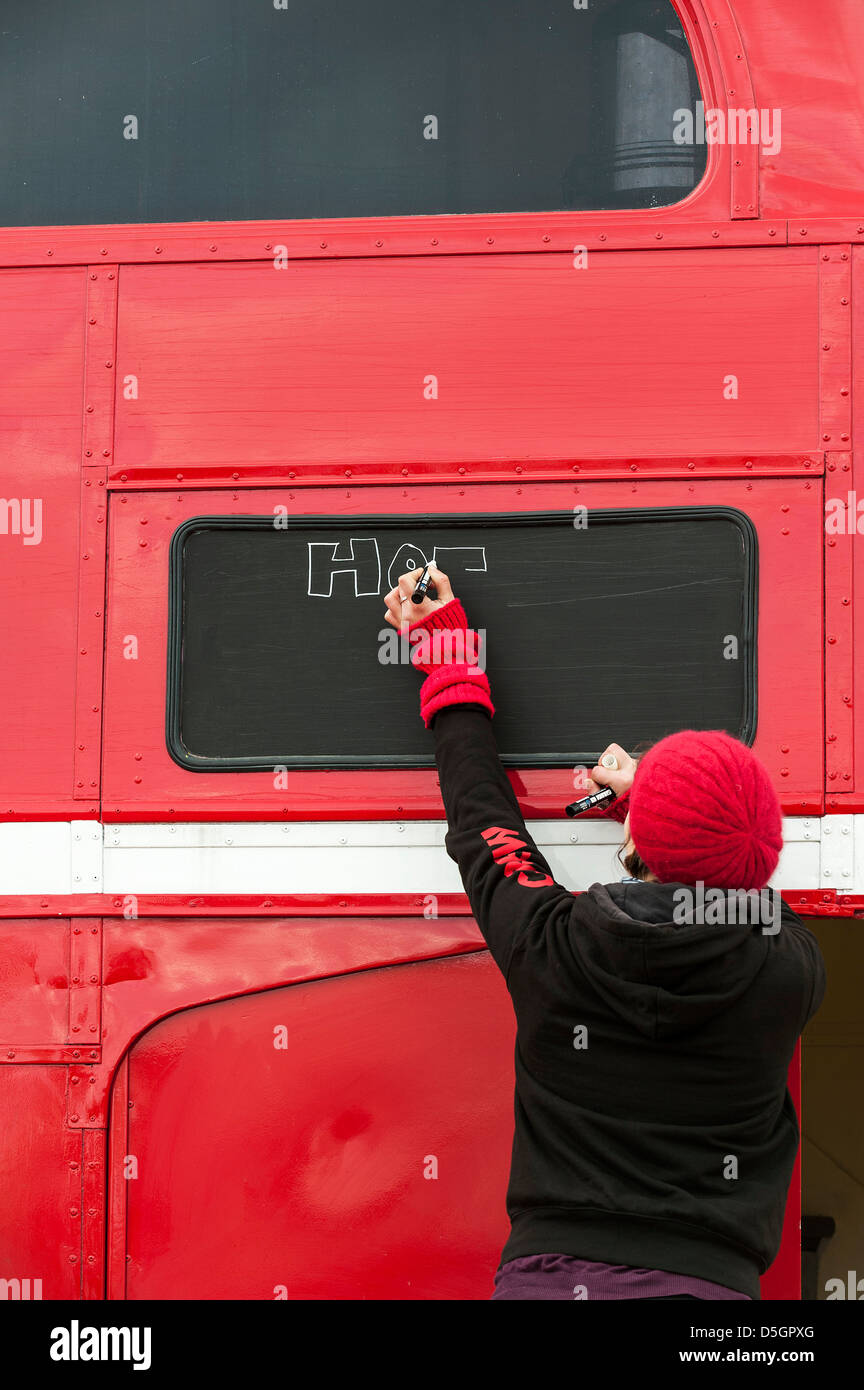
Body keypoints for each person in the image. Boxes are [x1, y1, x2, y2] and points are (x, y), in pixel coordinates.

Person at [383, 564, 826, 1302]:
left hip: (547, 1281)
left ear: (647, 840)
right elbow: (739, 881)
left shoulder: (552, 944)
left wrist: (452, 664)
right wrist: (655, 811)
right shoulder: (788, 972)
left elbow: (485, 826)